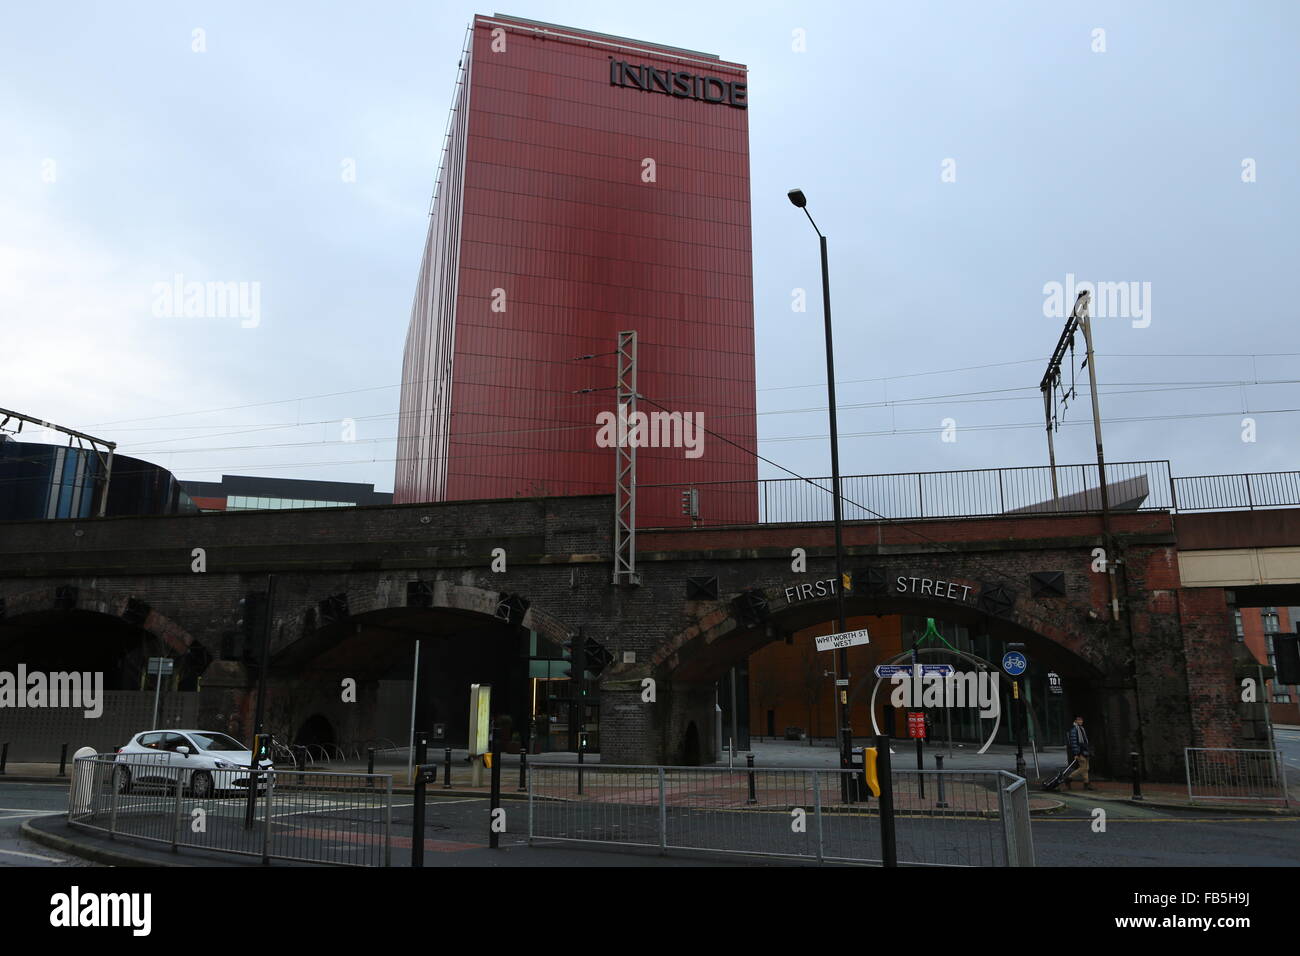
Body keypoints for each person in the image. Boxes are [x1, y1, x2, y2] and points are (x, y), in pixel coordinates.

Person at [1064, 715, 1094, 790]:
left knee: (1086, 768)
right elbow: (1074, 743)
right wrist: (1076, 754)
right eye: (1079, 720)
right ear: (1076, 721)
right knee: (1082, 768)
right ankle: (1068, 779)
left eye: (1081, 720)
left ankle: (1086, 783)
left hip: (1085, 751)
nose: (1080, 721)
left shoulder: (1081, 729)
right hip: (1080, 752)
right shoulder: (1074, 730)